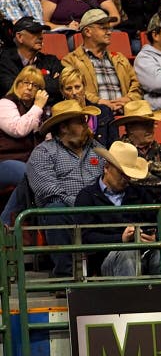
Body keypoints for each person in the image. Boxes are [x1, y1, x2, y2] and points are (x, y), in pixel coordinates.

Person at [73, 141, 161, 277]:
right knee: (127, 253)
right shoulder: (87, 197)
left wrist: (155, 238)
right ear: (106, 168)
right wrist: (121, 239)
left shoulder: (142, 194)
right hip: (108, 259)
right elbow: (85, 237)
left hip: (147, 254)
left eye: (128, 175)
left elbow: (159, 229)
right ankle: (133, 297)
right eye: (121, 174)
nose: (126, 179)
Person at [26, 99, 105, 277]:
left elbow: (109, 181)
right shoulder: (44, 152)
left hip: (97, 207)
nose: (87, 125)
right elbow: (48, 190)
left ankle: (107, 271)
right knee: (55, 210)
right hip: (66, 208)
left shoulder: (98, 149)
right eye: (80, 121)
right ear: (63, 127)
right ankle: (66, 276)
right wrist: (82, 204)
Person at [62, 9, 142, 117]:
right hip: (93, 116)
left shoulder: (120, 58)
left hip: (126, 115)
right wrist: (99, 102)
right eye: (103, 28)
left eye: (109, 28)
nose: (109, 32)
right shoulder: (70, 61)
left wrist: (128, 99)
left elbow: (137, 85)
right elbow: (72, 90)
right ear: (87, 32)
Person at [0, 66, 47, 225]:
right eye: (25, 82)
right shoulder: (5, 103)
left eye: (35, 86)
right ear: (17, 83)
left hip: (30, 163)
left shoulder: (39, 112)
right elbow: (18, 129)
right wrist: (38, 107)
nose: (29, 88)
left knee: (38, 177)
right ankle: (5, 224)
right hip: (5, 162)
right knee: (31, 175)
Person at [115, 100, 161, 203]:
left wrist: (150, 166)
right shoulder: (120, 149)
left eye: (152, 124)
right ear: (130, 128)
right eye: (145, 125)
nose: (150, 129)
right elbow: (129, 180)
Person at [0, 16, 62, 102]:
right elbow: (14, 90)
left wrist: (28, 86)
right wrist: (48, 80)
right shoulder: (4, 62)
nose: (41, 36)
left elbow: (62, 86)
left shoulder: (51, 60)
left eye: (41, 32)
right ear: (19, 37)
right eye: (34, 32)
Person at [58, 65, 116, 148]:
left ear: (84, 87)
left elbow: (114, 144)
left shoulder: (104, 112)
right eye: (68, 89)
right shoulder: (58, 118)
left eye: (77, 87)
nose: (74, 92)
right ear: (62, 92)